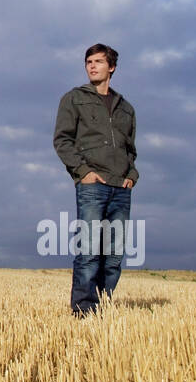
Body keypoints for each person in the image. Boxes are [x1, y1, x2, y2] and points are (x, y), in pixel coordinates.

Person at [52, 43, 138, 317]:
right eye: (89, 61)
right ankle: (83, 312)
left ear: (111, 67)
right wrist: (83, 173)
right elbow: (62, 140)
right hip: (92, 186)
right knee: (89, 251)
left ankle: (102, 307)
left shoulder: (126, 108)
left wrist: (131, 176)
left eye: (99, 61)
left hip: (120, 188)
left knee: (113, 255)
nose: (92, 66)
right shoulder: (74, 98)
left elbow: (130, 150)